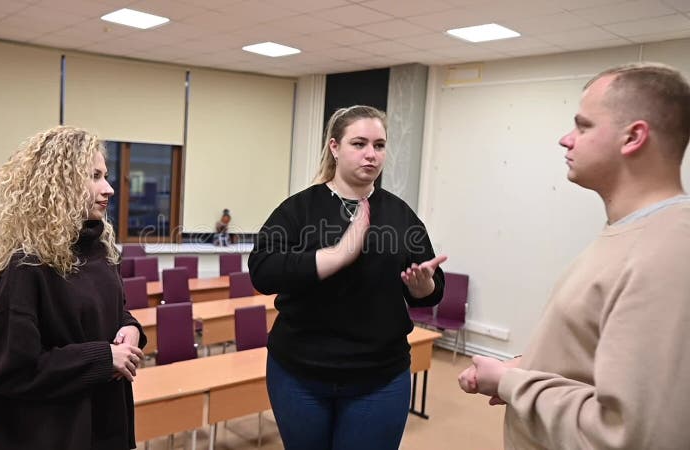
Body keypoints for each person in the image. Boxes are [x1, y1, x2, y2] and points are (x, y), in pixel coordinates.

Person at [458, 63, 690, 449]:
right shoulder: (633, 234)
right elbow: (592, 363)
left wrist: (510, 382)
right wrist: (524, 368)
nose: (566, 139)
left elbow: (627, 436)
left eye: (583, 126)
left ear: (633, 137)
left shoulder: (671, 253)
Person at [249, 105, 447, 450]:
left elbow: (430, 287)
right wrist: (338, 255)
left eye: (379, 145)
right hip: (299, 374)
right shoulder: (299, 209)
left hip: (380, 377)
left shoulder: (401, 214)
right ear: (335, 147)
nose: (371, 154)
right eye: (359, 143)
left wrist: (424, 285)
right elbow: (263, 271)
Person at [0, 126, 147, 450]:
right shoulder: (26, 267)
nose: (109, 188)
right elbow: (12, 371)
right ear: (61, 184)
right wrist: (102, 358)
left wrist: (131, 327)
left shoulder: (98, 251)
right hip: (59, 432)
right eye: (95, 176)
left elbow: (111, 312)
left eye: (106, 175)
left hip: (107, 422)